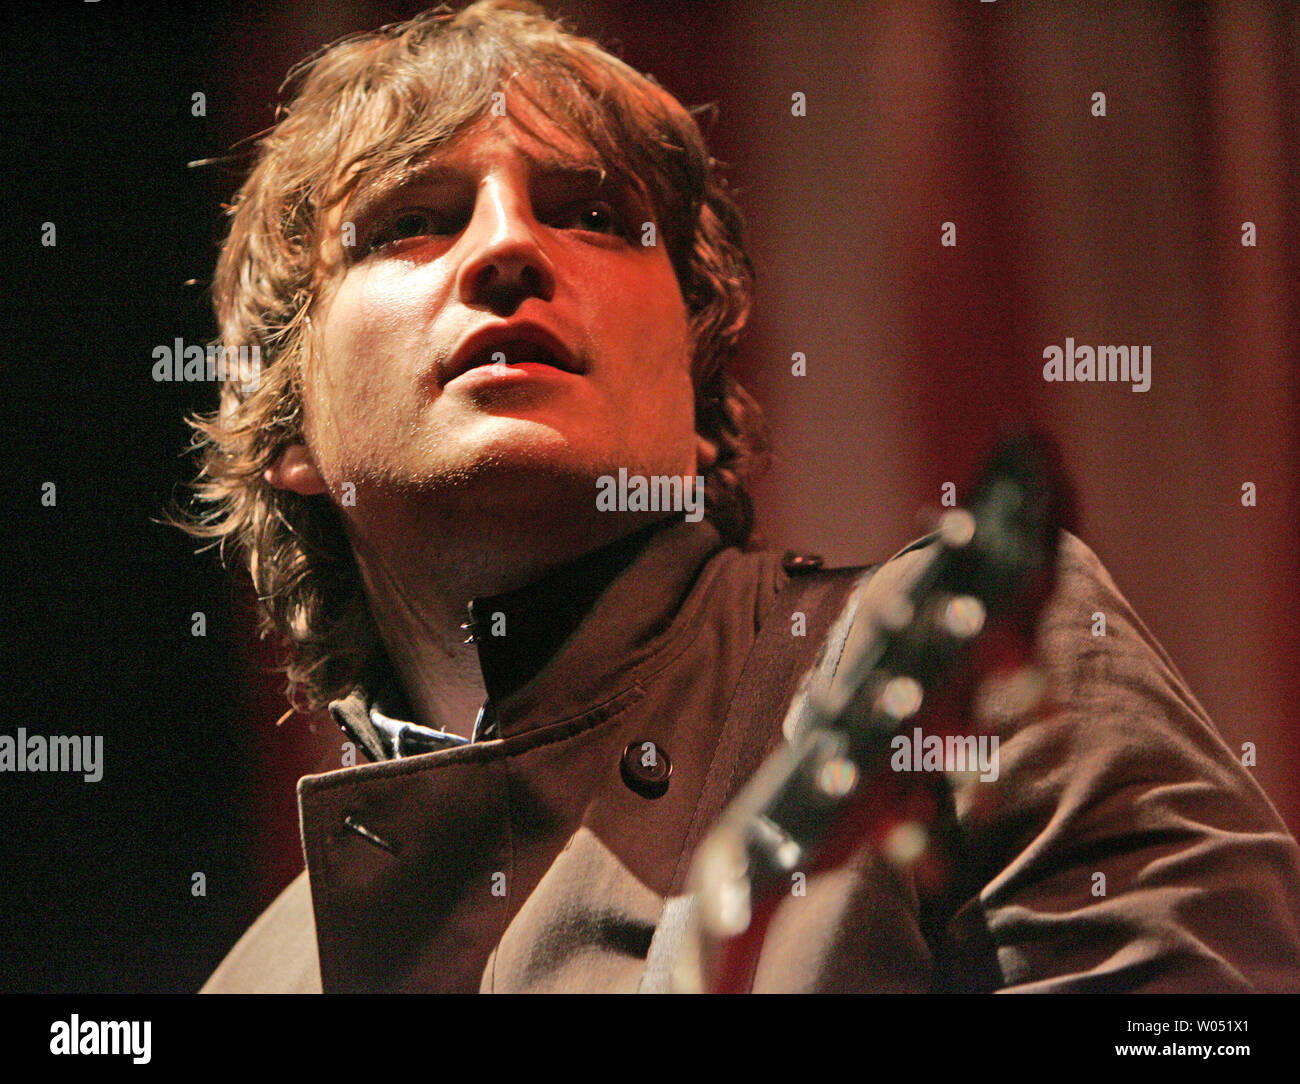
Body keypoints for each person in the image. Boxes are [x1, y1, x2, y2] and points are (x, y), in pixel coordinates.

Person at [186, 0, 1300, 993]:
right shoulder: (254, 980)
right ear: (288, 431)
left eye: (590, 215)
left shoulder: (977, 657)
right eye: (411, 221)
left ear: (697, 384)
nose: (510, 244)